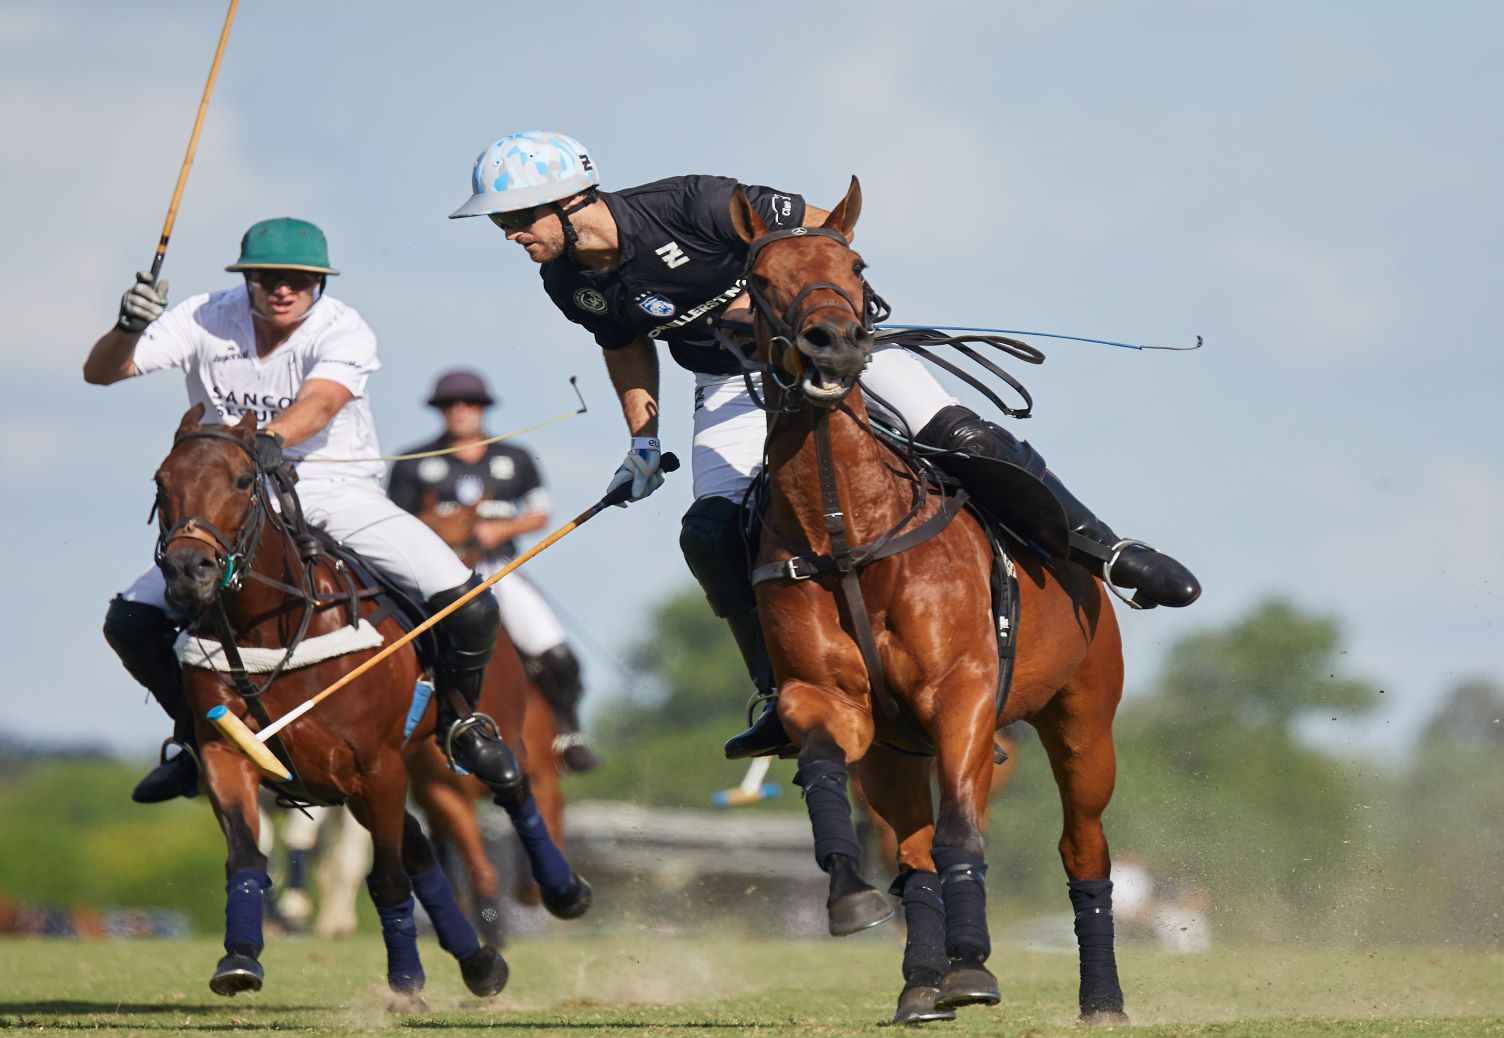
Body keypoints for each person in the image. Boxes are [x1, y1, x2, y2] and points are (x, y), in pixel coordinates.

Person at [448, 132, 1200, 760]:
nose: (511, 235)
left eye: (517, 217)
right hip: (729, 385)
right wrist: (642, 442)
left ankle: (1107, 551)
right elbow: (625, 346)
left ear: (569, 200)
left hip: (826, 350)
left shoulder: (693, 204)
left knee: (959, 434)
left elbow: (825, 235)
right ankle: (780, 692)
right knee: (708, 532)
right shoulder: (566, 280)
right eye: (501, 223)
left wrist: (803, 314)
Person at [84, 217, 522, 802]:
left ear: (321, 282)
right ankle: (192, 739)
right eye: (269, 278)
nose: (284, 290)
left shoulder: (343, 328)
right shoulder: (203, 316)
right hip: (230, 500)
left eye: (301, 279)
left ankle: (461, 724)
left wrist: (272, 438)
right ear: (247, 279)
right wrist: (127, 327)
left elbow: (321, 402)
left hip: (334, 490)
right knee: (130, 622)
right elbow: (101, 372)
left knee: (467, 602)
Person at [386, 368, 601, 773]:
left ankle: (568, 733)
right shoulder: (413, 462)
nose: (460, 410)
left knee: (558, 655)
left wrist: (503, 528)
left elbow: (539, 512)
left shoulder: (514, 459)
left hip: (497, 568)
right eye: (450, 404)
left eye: (470, 403)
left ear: (483, 408)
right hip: (432, 572)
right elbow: (392, 522)